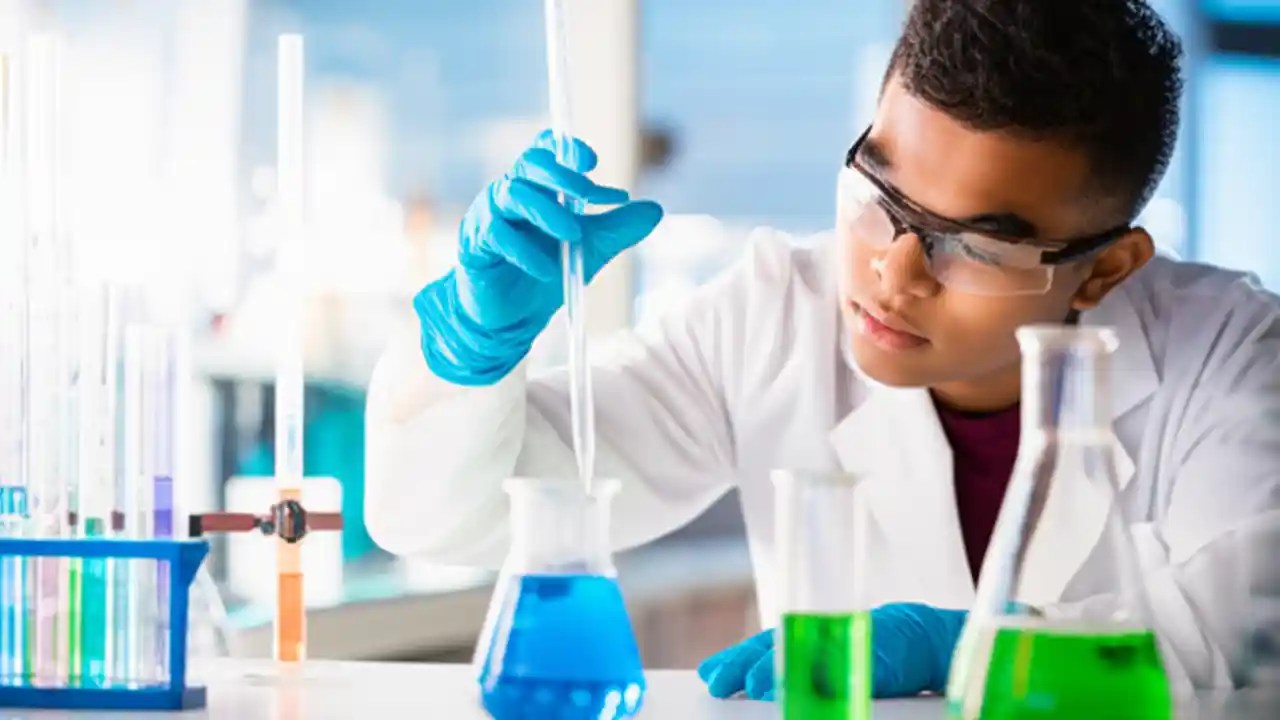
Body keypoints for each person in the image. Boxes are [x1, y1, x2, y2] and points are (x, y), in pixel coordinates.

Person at [365, 0, 1280, 701]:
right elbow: (457, 523)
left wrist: (966, 650)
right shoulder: (770, 313)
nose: (895, 271)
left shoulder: (1232, 354)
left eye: (978, 247)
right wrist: (468, 356)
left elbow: (1247, 636)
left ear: (1103, 270)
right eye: (879, 196)